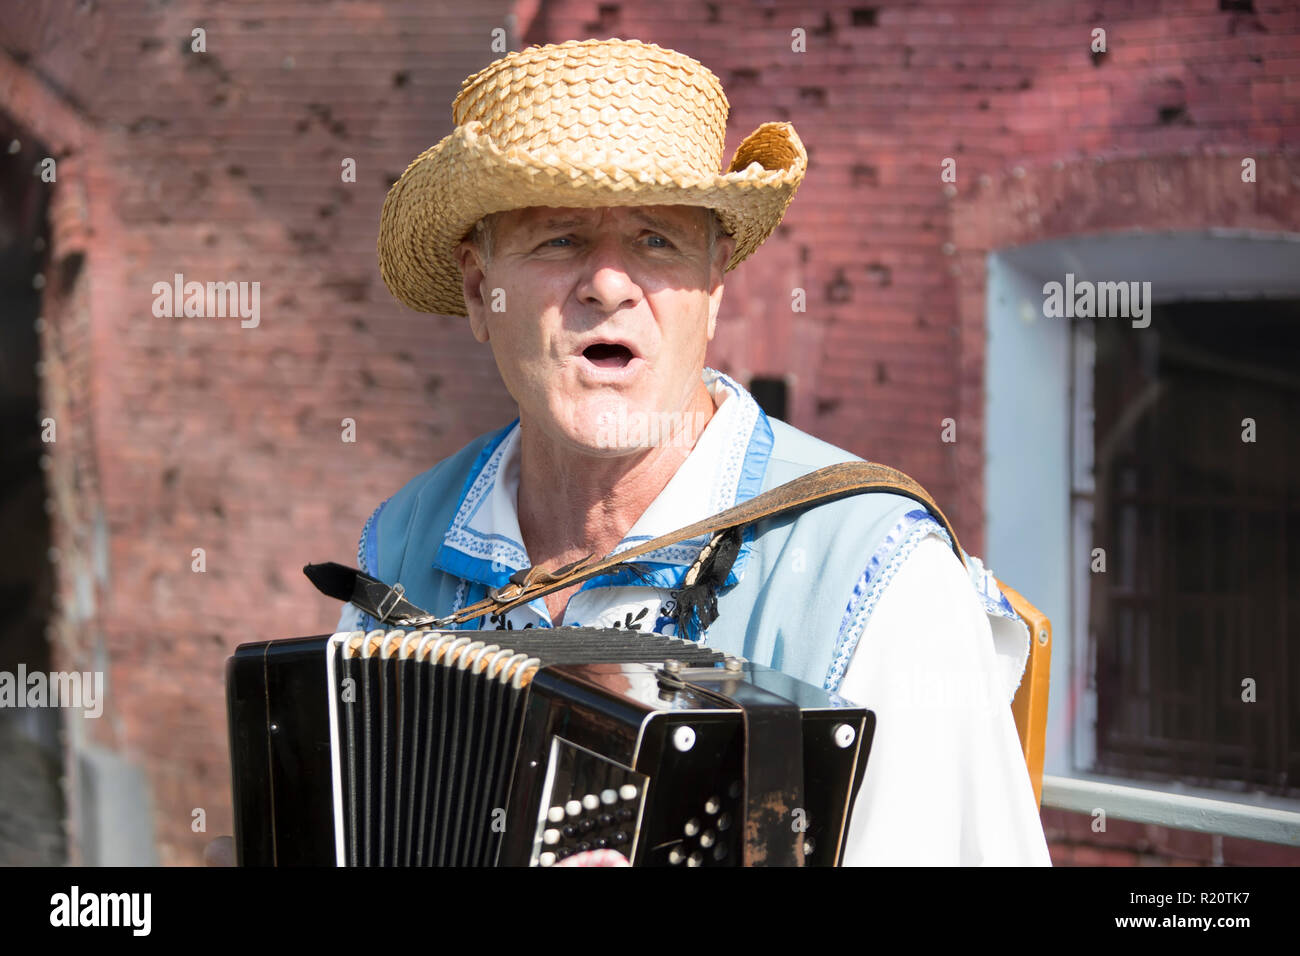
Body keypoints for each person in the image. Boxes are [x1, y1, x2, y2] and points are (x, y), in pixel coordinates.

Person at [337, 37, 1050, 866]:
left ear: (715, 288)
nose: (609, 284)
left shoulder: (882, 576)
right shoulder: (400, 547)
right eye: (558, 239)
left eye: (657, 240)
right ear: (478, 290)